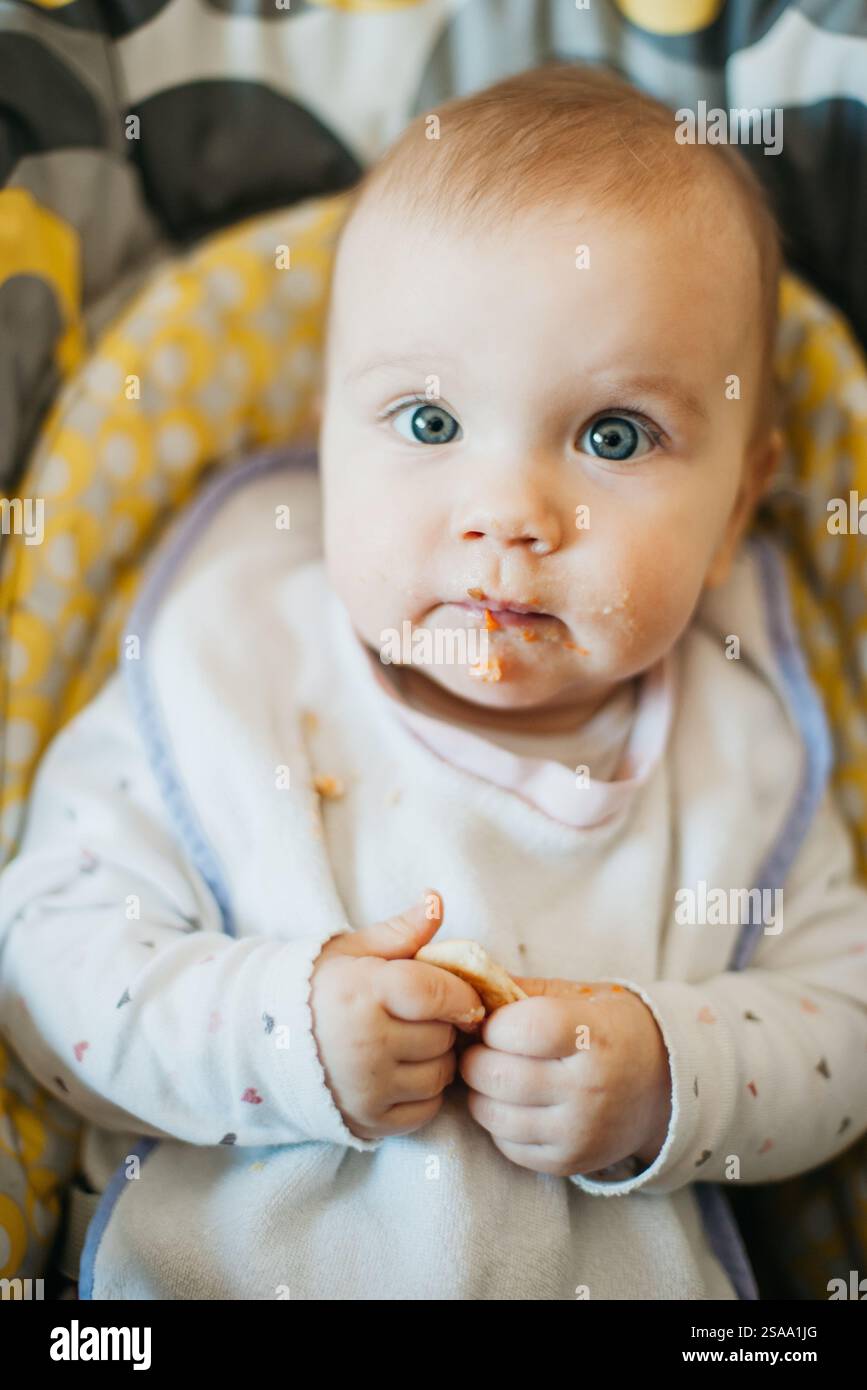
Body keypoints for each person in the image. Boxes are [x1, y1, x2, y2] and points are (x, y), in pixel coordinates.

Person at [1, 63, 865, 1300]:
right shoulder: (228, 656)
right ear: (323, 435)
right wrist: (282, 1032)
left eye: (614, 435)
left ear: (736, 507)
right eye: (425, 421)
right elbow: (46, 969)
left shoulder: (742, 744)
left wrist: (672, 1078)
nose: (507, 516)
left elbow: (846, 1025)